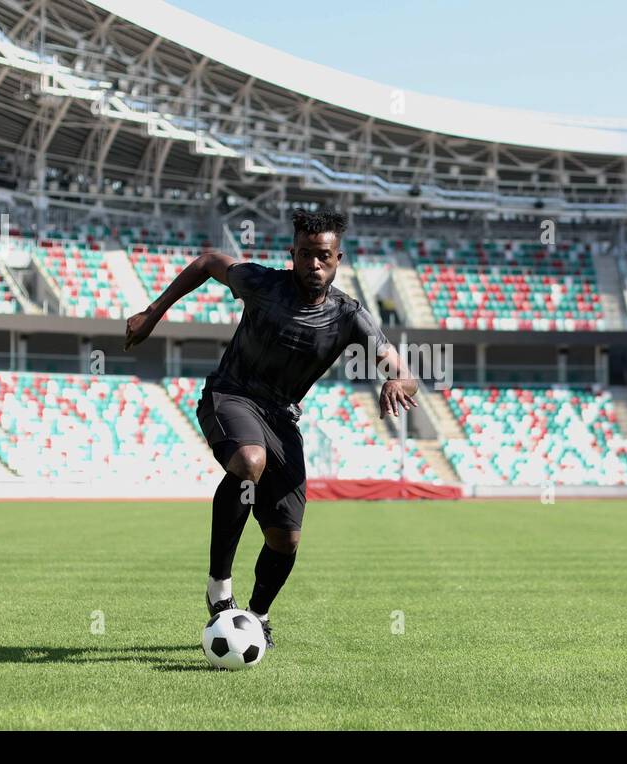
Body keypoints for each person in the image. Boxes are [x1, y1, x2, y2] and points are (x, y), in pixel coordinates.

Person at [124, 209, 417, 649]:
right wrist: (152, 313)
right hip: (231, 396)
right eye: (304, 255)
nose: (313, 265)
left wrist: (395, 379)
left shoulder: (350, 317)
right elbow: (207, 263)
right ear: (292, 254)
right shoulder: (262, 284)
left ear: (338, 258)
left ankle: (257, 618)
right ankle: (219, 588)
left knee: (286, 537)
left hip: (282, 418)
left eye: (322, 257)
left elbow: (403, 369)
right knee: (248, 461)